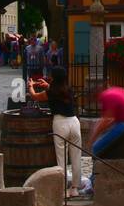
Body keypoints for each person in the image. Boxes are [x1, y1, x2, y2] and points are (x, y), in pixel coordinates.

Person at [28, 67, 84, 197]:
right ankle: (75, 188)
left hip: (61, 123)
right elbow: (57, 91)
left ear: (54, 78)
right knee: (76, 157)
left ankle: (63, 189)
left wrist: (31, 86)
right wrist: (47, 85)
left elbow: (35, 96)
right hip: (74, 122)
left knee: (61, 158)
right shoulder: (68, 89)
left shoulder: (51, 92)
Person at [90, 86, 124, 158]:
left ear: (97, 95)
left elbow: (106, 120)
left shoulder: (106, 97)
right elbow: (112, 119)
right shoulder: (114, 92)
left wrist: (93, 137)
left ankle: (103, 168)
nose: (99, 103)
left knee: (96, 147)